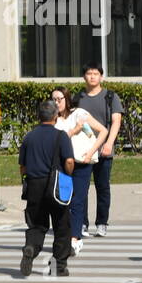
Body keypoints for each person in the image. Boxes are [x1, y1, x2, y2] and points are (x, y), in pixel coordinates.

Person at [18, 100, 75, 278]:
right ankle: (59, 265)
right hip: (57, 184)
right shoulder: (61, 136)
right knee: (62, 225)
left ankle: (31, 248)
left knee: (36, 224)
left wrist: (26, 179)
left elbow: (23, 166)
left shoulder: (29, 137)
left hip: (35, 184)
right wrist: (68, 174)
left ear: (38, 116)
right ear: (56, 116)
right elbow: (69, 161)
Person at [52, 86, 108, 256]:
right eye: (53, 99)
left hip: (82, 163)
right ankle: (65, 236)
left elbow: (103, 131)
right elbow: (57, 141)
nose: (56, 103)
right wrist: (74, 130)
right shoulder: (54, 120)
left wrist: (91, 152)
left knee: (77, 201)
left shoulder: (79, 114)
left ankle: (74, 239)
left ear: (67, 99)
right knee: (63, 201)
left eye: (60, 99)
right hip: (63, 165)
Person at [76, 62, 123, 237]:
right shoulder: (78, 97)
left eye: (96, 73)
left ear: (101, 77)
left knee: (102, 187)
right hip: (83, 151)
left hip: (104, 150)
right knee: (82, 187)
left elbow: (116, 121)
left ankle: (102, 222)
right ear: (84, 77)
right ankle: (81, 223)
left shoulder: (110, 96)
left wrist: (109, 143)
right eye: (89, 73)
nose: (92, 76)